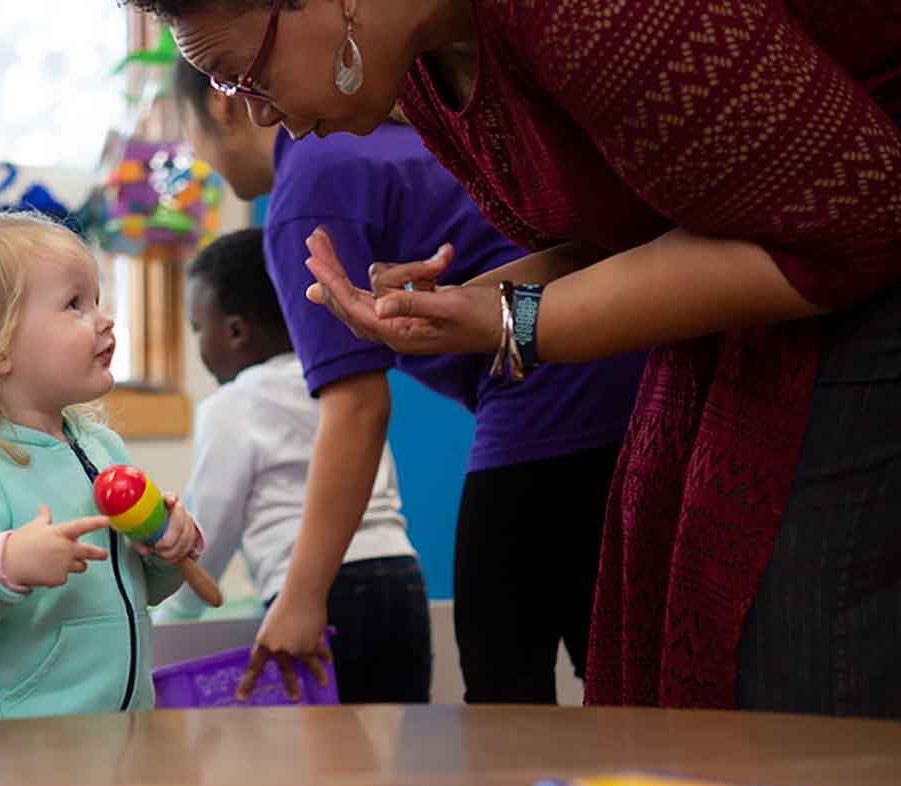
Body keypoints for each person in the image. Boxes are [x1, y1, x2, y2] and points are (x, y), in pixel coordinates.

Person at [134, 0, 901, 716]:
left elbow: (860, 220)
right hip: (743, 316)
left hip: (853, 276)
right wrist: (472, 307)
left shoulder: (579, 16)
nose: (259, 111)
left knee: (789, 669)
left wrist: (515, 318)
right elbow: (641, 227)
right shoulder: (429, 72)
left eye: (249, 76)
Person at [172, 56, 645, 703]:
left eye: (186, 134)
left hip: (546, 388)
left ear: (223, 100)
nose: (201, 158)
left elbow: (359, 409)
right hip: (627, 368)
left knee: (504, 682)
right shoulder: (389, 139)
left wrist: (303, 598)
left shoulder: (303, 189)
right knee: (614, 659)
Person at [0, 211, 198, 723]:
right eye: (74, 304)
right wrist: (4, 566)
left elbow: (136, 589)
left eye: (95, 299)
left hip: (105, 739)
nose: (103, 318)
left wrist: (166, 550)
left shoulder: (101, 449)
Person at [156, 227, 431, 703]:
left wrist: (166, 626)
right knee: (390, 753)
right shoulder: (340, 388)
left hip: (325, 594)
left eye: (199, 329)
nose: (200, 344)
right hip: (402, 580)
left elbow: (207, 535)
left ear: (236, 331)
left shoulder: (234, 404)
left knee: (325, 759)